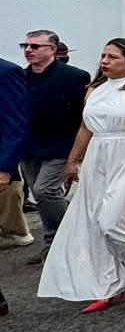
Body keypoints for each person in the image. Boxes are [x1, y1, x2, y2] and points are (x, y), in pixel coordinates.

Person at [38, 39, 125, 311]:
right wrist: (73, 161)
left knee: (110, 220)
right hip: (99, 158)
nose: (104, 60)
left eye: (112, 57)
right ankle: (109, 284)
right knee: (94, 223)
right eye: (103, 55)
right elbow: (85, 128)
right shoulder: (94, 88)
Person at [17, 30, 90, 254]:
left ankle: (73, 235)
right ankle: (53, 244)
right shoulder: (19, 77)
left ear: (52, 49)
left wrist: (79, 152)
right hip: (28, 146)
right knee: (40, 196)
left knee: (45, 190)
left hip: (62, 144)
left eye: (35, 46)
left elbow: (84, 116)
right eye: (26, 46)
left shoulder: (74, 77)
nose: (29, 50)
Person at [0, 50, 30, 254]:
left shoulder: (7, 72)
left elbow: (15, 123)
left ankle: (15, 231)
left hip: (2, 152)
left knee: (8, 193)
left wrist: (6, 167)